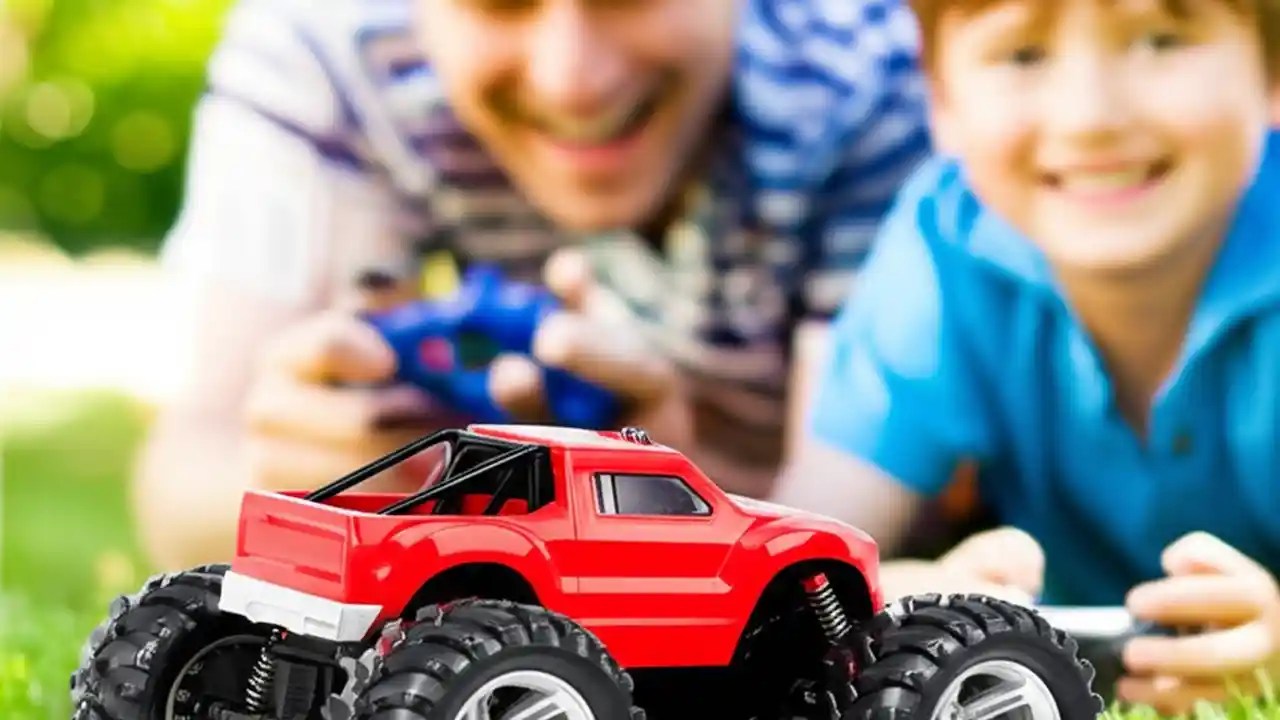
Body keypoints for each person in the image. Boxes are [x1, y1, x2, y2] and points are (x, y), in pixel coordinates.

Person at [134, 0, 937, 572]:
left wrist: (661, 494)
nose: (572, 81)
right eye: (498, 3)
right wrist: (313, 484)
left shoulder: (872, 64)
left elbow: (885, 525)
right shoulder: (322, 49)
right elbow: (187, 481)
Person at [770, 0, 1280, 712]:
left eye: (1162, 38)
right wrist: (896, 599)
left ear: (1271, 71)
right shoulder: (945, 244)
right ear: (940, 100)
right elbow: (794, 562)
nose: (1090, 116)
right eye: (1022, 55)